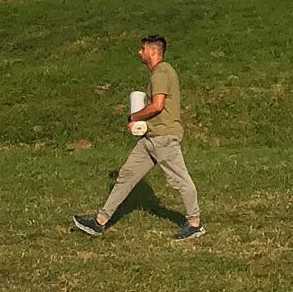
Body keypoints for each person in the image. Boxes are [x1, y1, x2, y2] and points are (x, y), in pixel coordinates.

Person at [73, 34, 203, 240]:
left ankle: (194, 224)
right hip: (150, 137)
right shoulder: (160, 72)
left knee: (180, 179)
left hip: (163, 138)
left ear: (152, 51)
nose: (139, 52)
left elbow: (157, 105)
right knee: (126, 176)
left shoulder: (161, 72)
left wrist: (133, 117)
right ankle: (99, 222)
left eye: (142, 49)